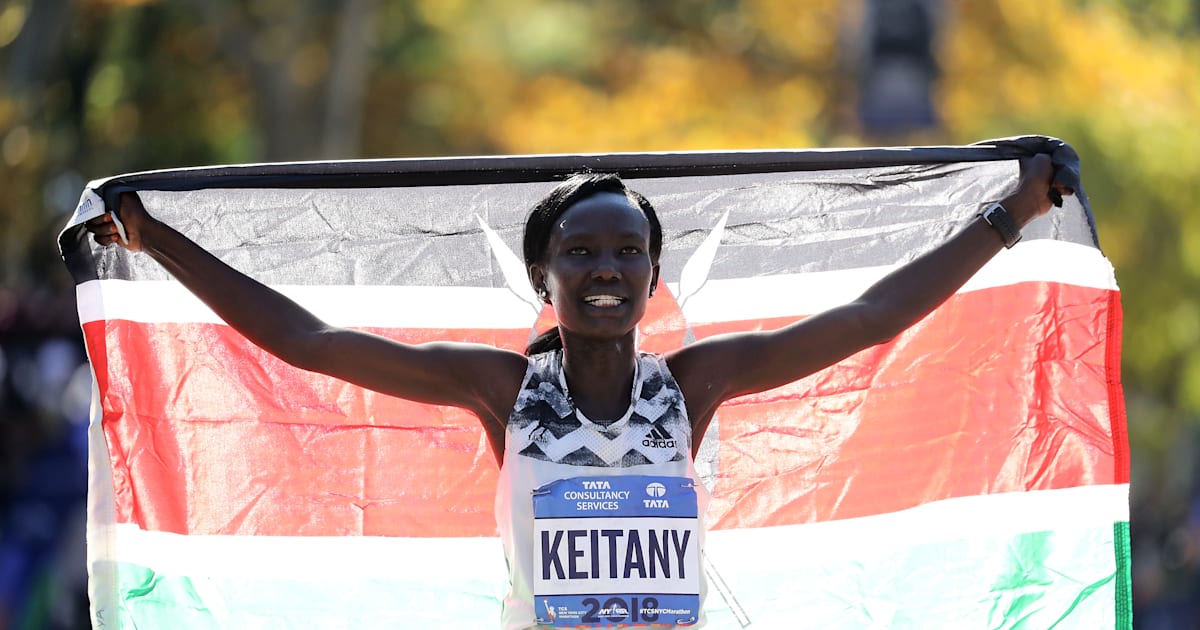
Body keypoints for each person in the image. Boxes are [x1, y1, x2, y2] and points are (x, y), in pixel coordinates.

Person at [85, 153, 1064, 628]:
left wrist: (1010, 214)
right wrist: (157, 240)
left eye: (627, 251)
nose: (606, 267)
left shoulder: (695, 384)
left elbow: (866, 320)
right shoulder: (500, 389)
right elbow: (309, 341)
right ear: (544, 277)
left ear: (652, 276)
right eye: (582, 251)